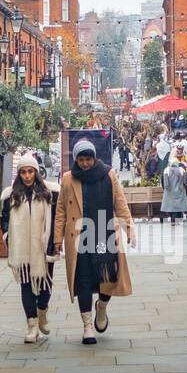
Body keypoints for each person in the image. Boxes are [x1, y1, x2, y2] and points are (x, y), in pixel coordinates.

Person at [54, 139, 136, 345]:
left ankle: (102, 306)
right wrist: (56, 239)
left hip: (103, 234)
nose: (85, 164)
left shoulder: (108, 174)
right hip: (79, 237)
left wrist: (129, 228)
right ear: (76, 160)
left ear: (94, 158)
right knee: (82, 280)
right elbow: (61, 211)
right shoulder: (68, 178)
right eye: (81, 160)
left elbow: (120, 202)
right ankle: (87, 327)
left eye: (88, 159)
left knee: (107, 278)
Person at [1, 153, 59, 343]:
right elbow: (4, 219)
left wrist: (55, 242)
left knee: (45, 289)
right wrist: (7, 236)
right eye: (23, 172)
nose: (27, 176)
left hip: (43, 248)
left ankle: (42, 312)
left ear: (36, 172)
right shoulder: (11, 195)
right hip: (22, 250)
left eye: (30, 171)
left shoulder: (49, 193)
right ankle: (32, 326)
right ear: (19, 174)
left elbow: (56, 219)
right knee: (26, 285)